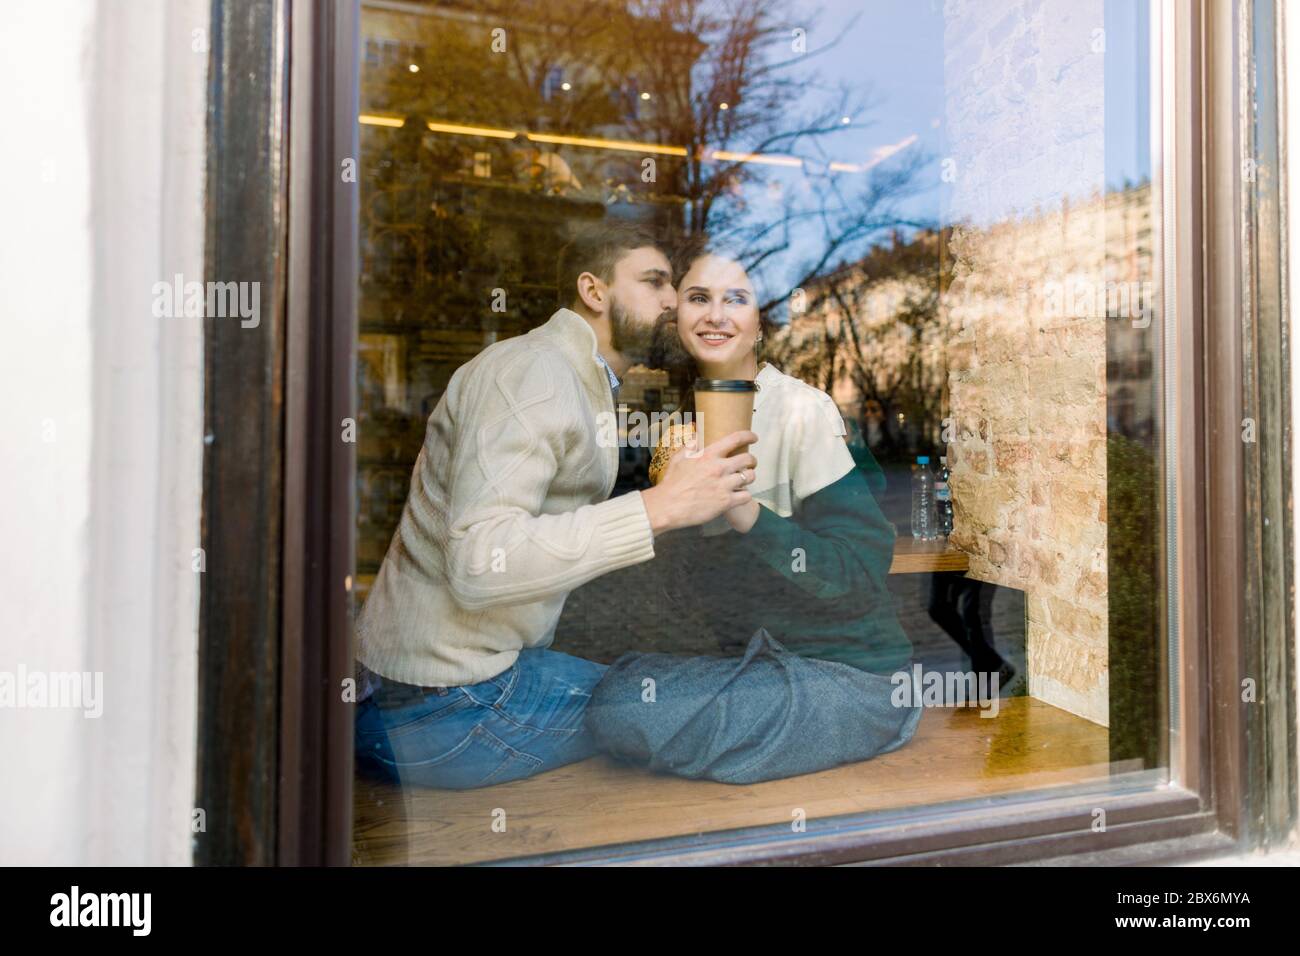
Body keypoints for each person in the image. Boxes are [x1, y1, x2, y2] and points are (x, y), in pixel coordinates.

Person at [353, 221, 758, 790]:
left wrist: (691, 500)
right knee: (710, 706)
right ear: (594, 292)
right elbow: (479, 558)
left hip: (449, 688)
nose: (674, 300)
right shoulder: (533, 373)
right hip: (443, 706)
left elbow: (555, 522)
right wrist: (659, 508)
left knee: (669, 686)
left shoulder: (579, 378)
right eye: (654, 282)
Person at [586, 239, 923, 784]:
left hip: (852, 679)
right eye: (698, 298)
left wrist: (744, 510)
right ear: (678, 319)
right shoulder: (685, 424)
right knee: (614, 686)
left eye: (736, 299)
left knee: (623, 708)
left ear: (760, 325)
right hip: (763, 664)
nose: (715, 314)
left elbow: (859, 576)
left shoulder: (802, 410)